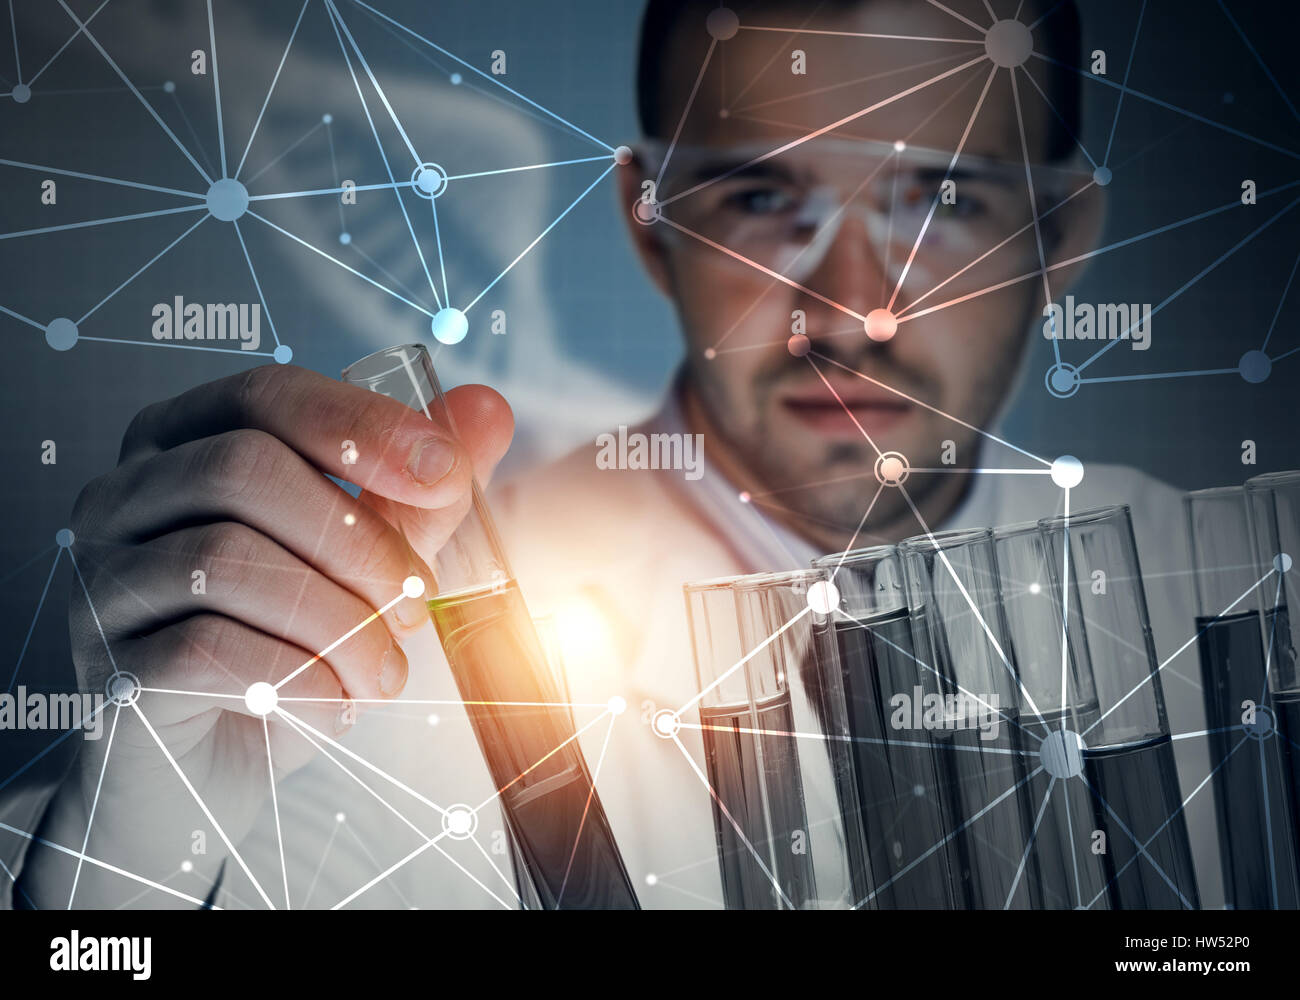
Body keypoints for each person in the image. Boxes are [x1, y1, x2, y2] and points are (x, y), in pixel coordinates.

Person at [2, 0, 1220, 909]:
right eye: (762, 199)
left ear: (1061, 237)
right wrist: (125, 851)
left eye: (943, 201)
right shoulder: (392, 647)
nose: (851, 310)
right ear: (654, 222)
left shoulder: (1232, 591)